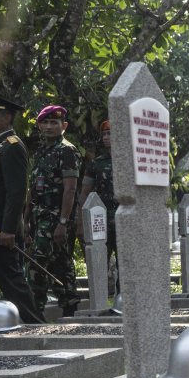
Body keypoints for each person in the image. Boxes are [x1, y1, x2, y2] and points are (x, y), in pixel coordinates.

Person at [0, 93, 46, 323]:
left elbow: (16, 192)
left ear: (6, 116)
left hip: (0, 231)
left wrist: (9, 229)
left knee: (13, 283)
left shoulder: (12, 146)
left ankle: (37, 326)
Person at [27, 105, 80, 317]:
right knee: (60, 263)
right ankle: (69, 307)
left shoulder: (67, 150)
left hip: (57, 219)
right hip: (39, 217)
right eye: (45, 123)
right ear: (39, 125)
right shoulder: (41, 151)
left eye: (54, 123)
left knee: (37, 264)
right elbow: (32, 188)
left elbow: (71, 189)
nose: (49, 126)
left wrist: (63, 222)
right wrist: (25, 220)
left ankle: (34, 312)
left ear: (64, 126)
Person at [77, 120, 119, 296]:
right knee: (99, 264)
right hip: (101, 222)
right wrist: (81, 221)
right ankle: (99, 302)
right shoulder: (97, 164)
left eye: (110, 133)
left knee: (126, 266)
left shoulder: (131, 160)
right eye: (104, 134)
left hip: (123, 222)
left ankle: (124, 304)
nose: (107, 138)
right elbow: (85, 193)